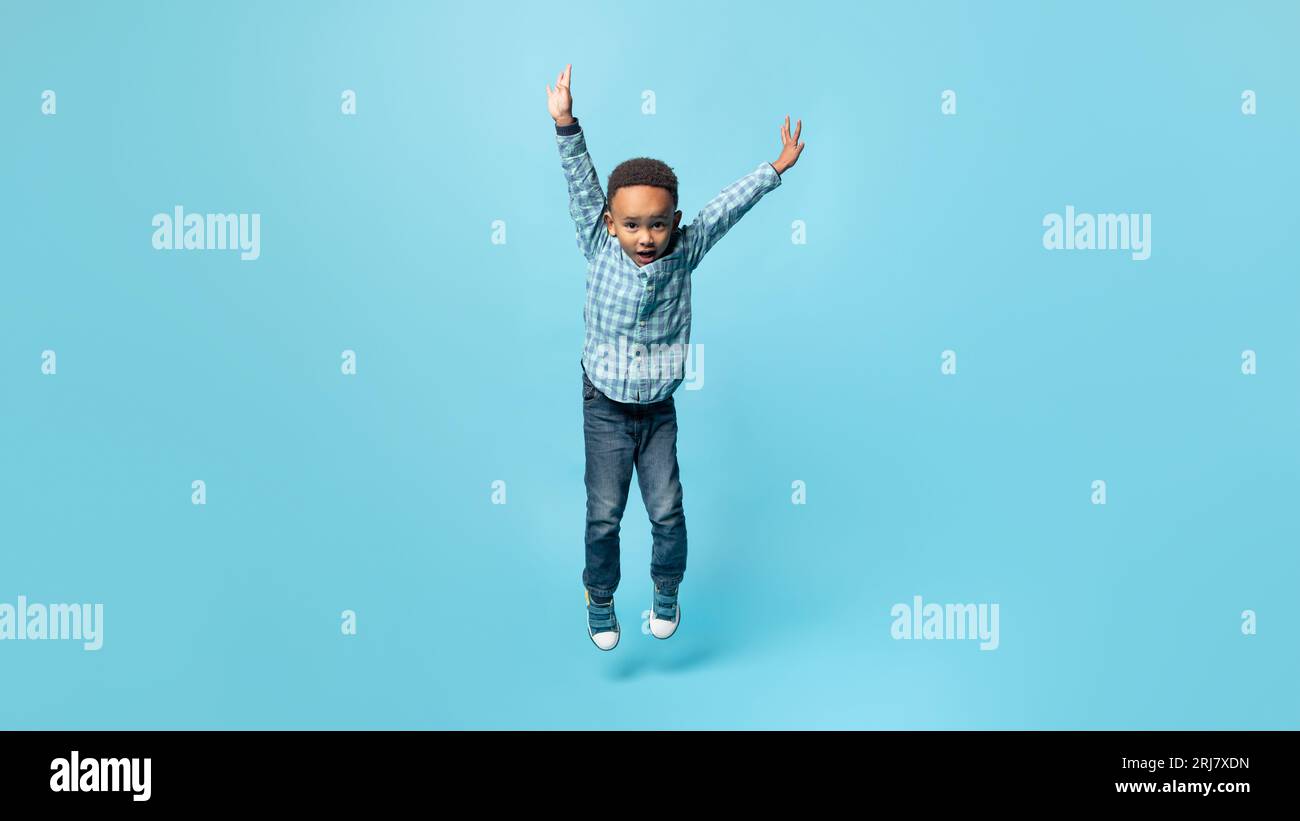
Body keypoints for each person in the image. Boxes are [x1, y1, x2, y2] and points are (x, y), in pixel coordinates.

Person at [545, 63, 805, 650]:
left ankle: (666, 591)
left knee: (666, 509)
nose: (645, 237)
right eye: (632, 225)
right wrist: (566, 123)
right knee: (604, 512)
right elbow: (581, 182)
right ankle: (600, 597)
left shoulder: (685, 250)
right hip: (604, 405)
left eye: (658, 225)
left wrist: (774, 170)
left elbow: (723, 210)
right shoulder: (598, 243)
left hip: (657, 409)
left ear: (674, 224)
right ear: (610, 224)